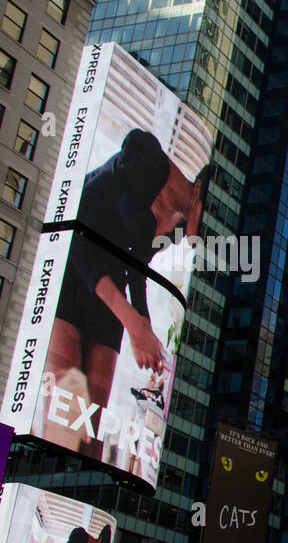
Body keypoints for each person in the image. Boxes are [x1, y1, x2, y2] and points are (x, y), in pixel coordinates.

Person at [43, 130, 209, 462]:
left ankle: (85, 487)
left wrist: (144, 324)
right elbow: (76, 230)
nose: (203, 238)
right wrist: (134, 324)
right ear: (199, 191)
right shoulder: (144, 153)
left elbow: (136, 267)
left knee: (91, 423)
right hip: (75, 273)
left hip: (111, 296)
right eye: (209, 224)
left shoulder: (178, 229)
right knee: (67, 409)